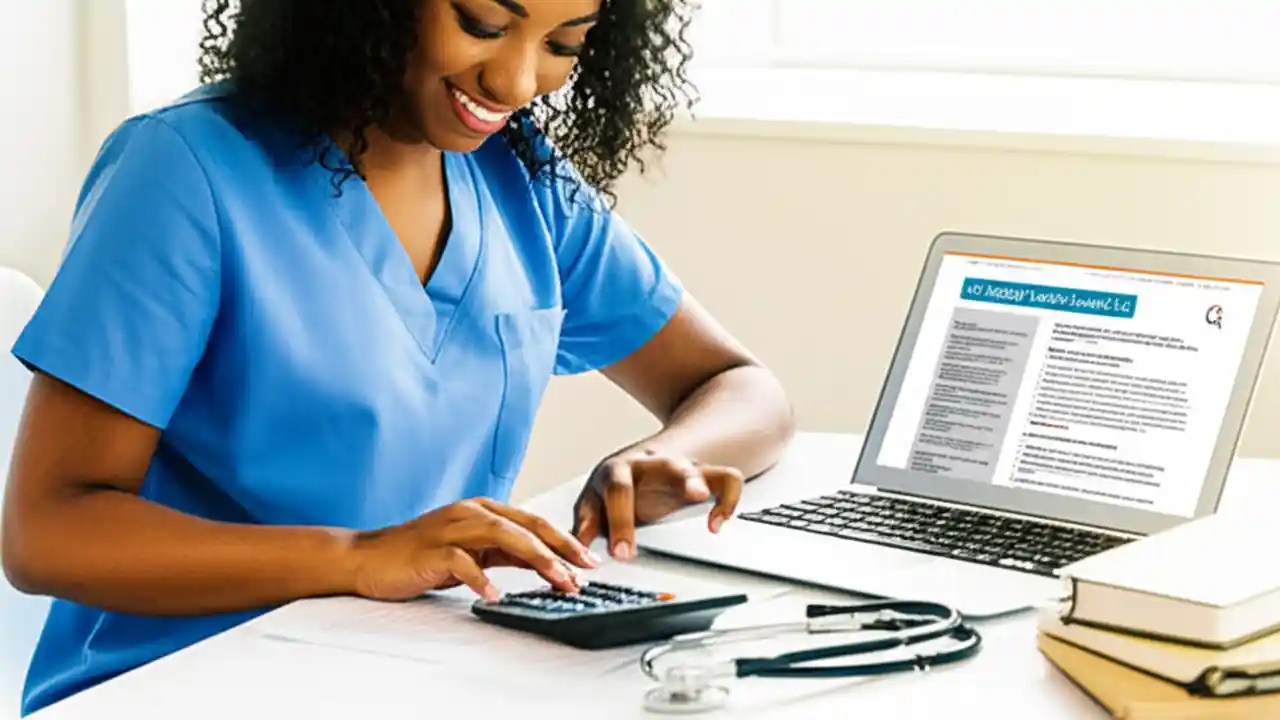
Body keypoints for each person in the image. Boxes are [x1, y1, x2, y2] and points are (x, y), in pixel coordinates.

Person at [0, 0, 794, 715]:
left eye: (564, 42)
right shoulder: (184, 168)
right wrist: (357, 556)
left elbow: (743, 388)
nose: (517, 80)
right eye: (483, 24)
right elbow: (48, 532)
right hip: (171, 684)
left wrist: (658, 458)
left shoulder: (518, 179)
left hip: (412, 672)